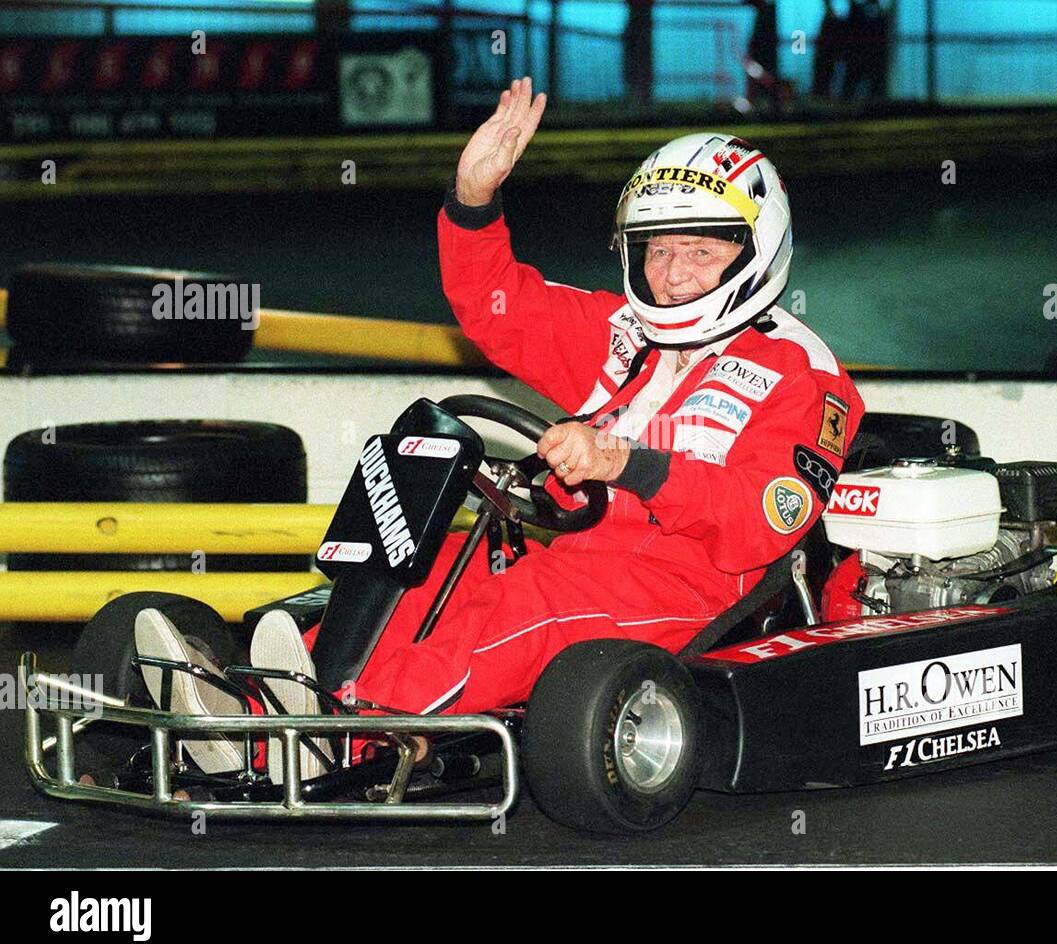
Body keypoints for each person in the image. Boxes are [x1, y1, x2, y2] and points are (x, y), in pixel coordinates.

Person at [134, 77, 864, 780]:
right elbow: (498, 305)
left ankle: (331, 732)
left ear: (755, 250)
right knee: (431, 567)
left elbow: (762, 519)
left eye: (701, 253)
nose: (672, 276)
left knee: (525, 609)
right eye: (659, 250)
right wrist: (474, 200)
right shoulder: (624, 332)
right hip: (575, 552)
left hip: (693, 585)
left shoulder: (804, 373)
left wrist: (626, 463)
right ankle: (261, 698)